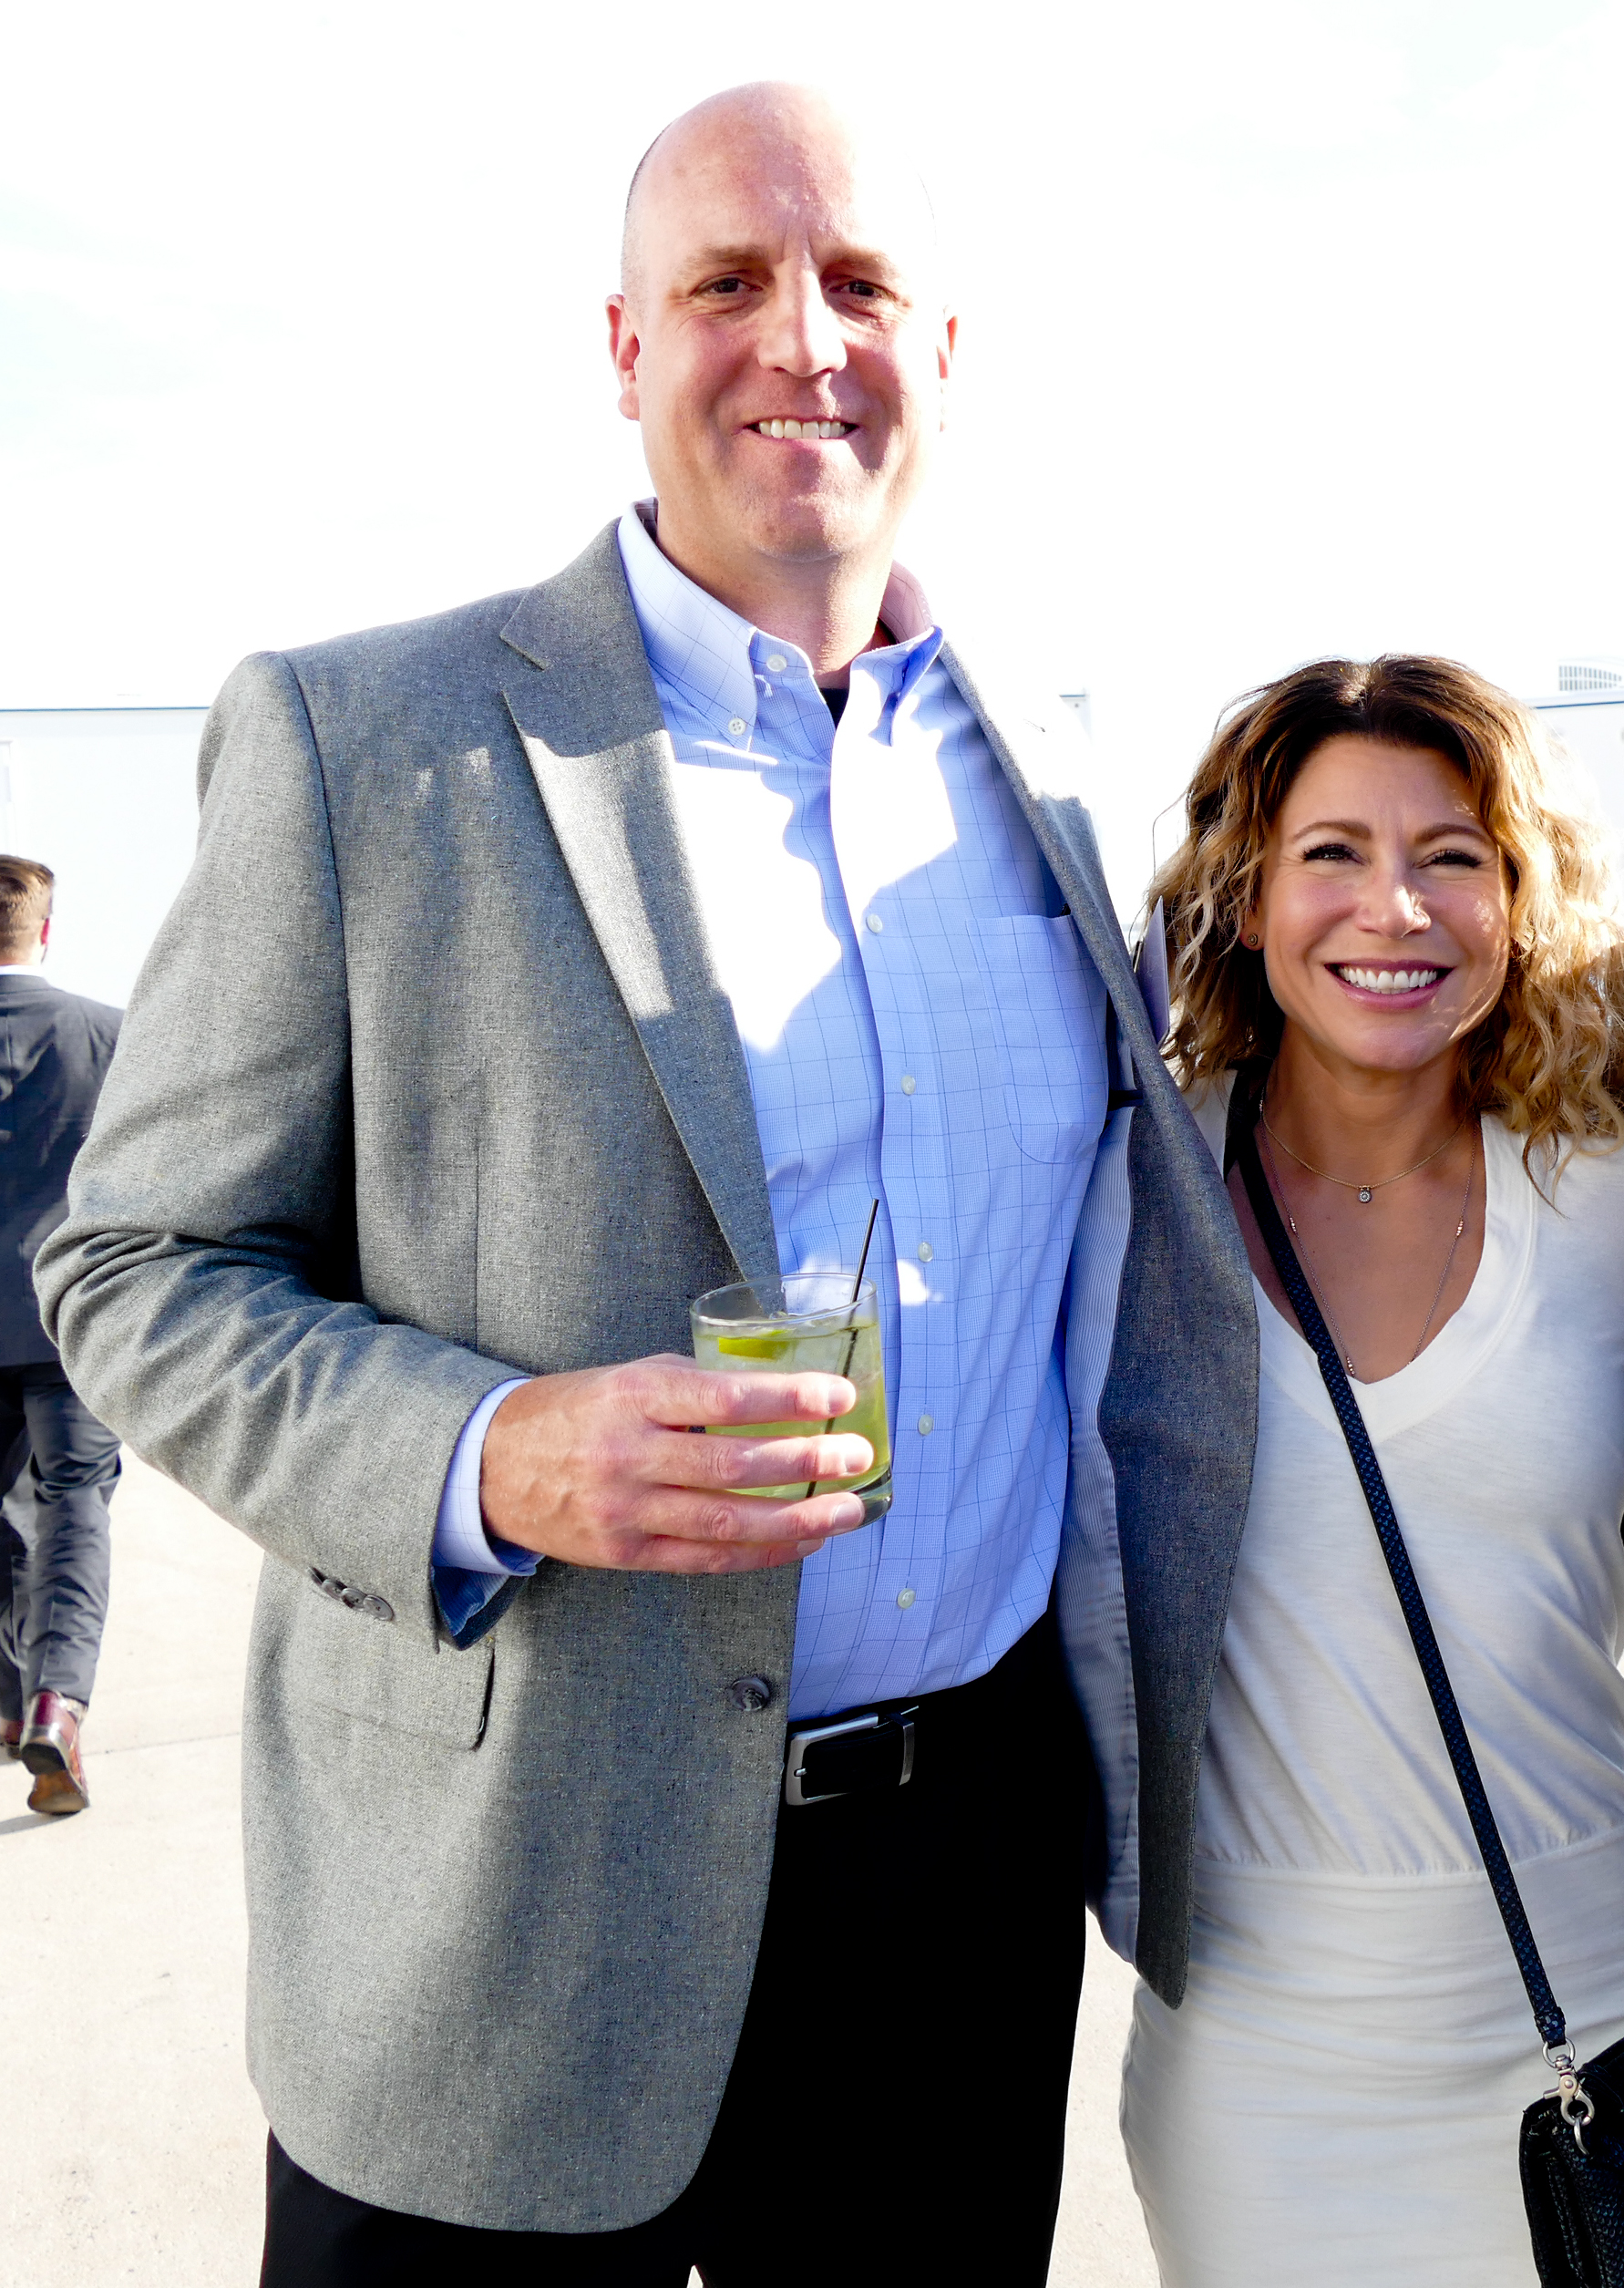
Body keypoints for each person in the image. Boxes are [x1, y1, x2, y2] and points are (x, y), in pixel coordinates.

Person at [38, 84, 1256, 2283]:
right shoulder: (366, 738)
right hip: (510, 1913)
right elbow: (133, 1264)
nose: (801, 340)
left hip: (952, 1899)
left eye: (859, 283)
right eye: (723, 284)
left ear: (947, 354)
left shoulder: (1058, 787)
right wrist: (487, 1453)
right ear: (622, 347)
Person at [1102, 655, 1624, 2283]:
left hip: (1592, 2025)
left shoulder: (1609, 1195)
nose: (1392, 907)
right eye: (1330, 854)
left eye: (1454, 856)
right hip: (1257, 2056)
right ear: (1246, 900)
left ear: (1522, 902)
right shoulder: (1129, 1190)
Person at [0, 854, 123, 1817]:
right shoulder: (107, 1036)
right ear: (43, 931)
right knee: (75, 1502)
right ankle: (56, 1701)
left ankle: (8, 1701)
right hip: (66, 1318)